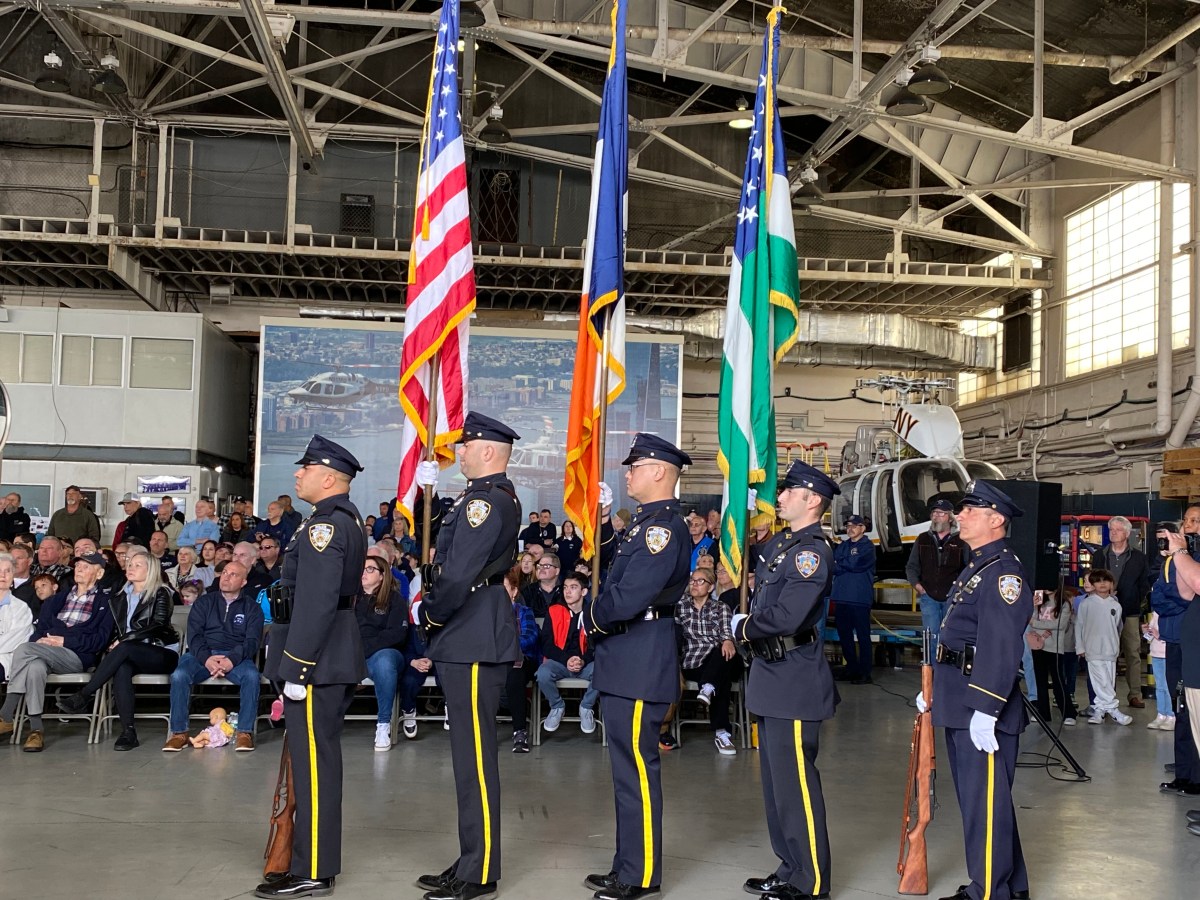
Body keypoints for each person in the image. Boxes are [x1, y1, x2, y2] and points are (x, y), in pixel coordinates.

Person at [412, 412, 522, 900]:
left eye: (467, 445)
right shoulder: (477, 498)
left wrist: (430, 613)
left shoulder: (486, 501)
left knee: (475, 760)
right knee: (466, 759)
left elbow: (457, 574)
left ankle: (480, 872)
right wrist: (423, 501)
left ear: (490, 452)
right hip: (470, 631)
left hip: (473, 631)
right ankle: (470, 859)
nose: (459, 452)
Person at [255, 435, 367, 900]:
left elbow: (317, 602)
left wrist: (297, 668)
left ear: (328, 477)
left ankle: (315, 869)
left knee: (315, 768)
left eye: (305, 469)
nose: (297, 474)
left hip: (317, 663)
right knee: (310, 764)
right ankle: (307, 859)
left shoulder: (326, 526)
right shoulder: (333, 520)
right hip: (324, 657)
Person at [583, 434, 692, 900]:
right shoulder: (644, 524)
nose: (627, 474)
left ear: (661, 472)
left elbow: (630, 594)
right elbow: (614, 568)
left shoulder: (661, 528)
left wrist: (591, 617)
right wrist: (606, 524)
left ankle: (641, 874)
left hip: (640, 654)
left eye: (635, 466)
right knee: (625, 771)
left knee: (637, 773)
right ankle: (627, 863)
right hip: (628, 654)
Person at [916, 481, 1032, 900]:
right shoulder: (978, 565)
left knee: (982, 805)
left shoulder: (1002, 572)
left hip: (981, 705)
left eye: (971, 509)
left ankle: (988, 892)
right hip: (959, 695)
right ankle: (1012, 887)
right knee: (988, 801)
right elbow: (959, 636)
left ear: (996, 519)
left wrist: (986, 707)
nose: (960, 515)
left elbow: (1001, 644)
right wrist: (936, 687)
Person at [730, 460, 839, 900]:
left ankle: (811, 880)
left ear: (812, 500)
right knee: (777, 787)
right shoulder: (784, 546)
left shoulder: (812, 551)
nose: (781, 496)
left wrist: (743, 627)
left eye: (790, 491)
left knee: (797, 786)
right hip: (771, 675)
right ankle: (790, 866)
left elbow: (790, 614)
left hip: (794, 678)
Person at [58, 549, 180, 750]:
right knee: (122, 668)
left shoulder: (162, 592)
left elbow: (158, 625)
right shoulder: (119, 596)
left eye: (137, 565)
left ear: (151, 570)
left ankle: (85, 694)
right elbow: (114, 629)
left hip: (160, 652)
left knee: (125, 649)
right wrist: (118, 642)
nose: (131, 568)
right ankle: (128, 732)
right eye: (130, 564)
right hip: (127, 653)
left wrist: (125, 639)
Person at [0, 552, 115, 752]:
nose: (79, 568)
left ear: (99, 573)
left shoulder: (106, 602)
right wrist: (44, 642)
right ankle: (37, 730)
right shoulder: (56, 600)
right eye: (78, 565)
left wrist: (65, 640)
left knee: (24, 648)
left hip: (76, 657)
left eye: (86, 567)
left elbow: (100, 640)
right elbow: (37, 633)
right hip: (44, 652)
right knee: (35, 666)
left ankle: (6, 713)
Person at [163, 559, 262, 752]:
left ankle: (244, 732)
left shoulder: (252, 608)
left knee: (252, 676)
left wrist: (230, 660)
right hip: (202, 655)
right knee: (179, 675)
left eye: (233, 574)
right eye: (225, 572)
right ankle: (179, 733)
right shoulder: (204, 602)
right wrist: (207, 659)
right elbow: (194, 636)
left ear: (243, 582)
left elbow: (251, 641)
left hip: (235, 657)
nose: (226, 577)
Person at [1152, 511, 1200, 796]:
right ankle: (1186, 772)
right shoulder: (1174, 558)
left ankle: (1194, 777)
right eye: (1187, 521)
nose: (1188, 526)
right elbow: (1159, 595)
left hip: (1189, 640)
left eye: (1196, 521)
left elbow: (1181, 596)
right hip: (1175, 638)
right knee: (1181, 708)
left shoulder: (1187, 558)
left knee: (1190, 708)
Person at [675, 566, 740, 755]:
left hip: (717, 655)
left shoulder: (720, 607)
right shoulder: (681, 606)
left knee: (723, 652)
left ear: (711, 587)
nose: (694, 584)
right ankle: (721, 732)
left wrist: (727, 640)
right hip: (692, 661)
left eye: (700, 581)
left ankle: (709, 687)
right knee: (722, 675)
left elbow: (726, 631)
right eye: (692, 580)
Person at [536, 570, 597, 738]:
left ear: (584, 592)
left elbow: (599, 646)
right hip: (560, 663)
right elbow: (546, 645)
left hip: (586, 664)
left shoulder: (593, 613)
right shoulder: (554, 611)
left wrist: (582, 660)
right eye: (565, 587)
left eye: (573, 587)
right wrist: (567, 659)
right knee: (543, 673)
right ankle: (557, 706)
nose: (567, 591)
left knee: (603, 671)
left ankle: (586, 707)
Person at [356, 555, 408, 752]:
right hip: (354, 654)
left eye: (370, 569)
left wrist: (366, 648)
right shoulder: (351, 599)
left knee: (385, 661)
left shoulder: (394, 599)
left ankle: (383, 725)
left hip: (384, 654)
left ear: (382, 575)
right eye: (363, 568)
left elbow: (397, 634)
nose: (364, 573)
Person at [1099, 516, 1151, 709]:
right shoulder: (1100, 555)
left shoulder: (1138, 558)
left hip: (1129, 612)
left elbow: (1145, 583)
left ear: (1127, 534)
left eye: (1118, 530)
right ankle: (1106, 696)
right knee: (1106, 655)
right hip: (1104, 612)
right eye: (1111, 529)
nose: (1113, 532)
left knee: (1133, 653)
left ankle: (1135, 694)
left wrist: (1137, 600)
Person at [906, 498, 969, 646]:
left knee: (950, 636)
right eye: (934, 513)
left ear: (950, 517)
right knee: (931, 638)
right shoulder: (922, 539)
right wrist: (917, 586)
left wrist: (960, 590)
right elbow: (911, 566)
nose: (936, 516)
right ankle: (931, 668)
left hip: (951, 599)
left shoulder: (962, 541)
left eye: (941, 513)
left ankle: (947, 669)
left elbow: (968, 567)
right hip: (929, 597)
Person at [1076, 569, 1132, 726]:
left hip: (1110, 649)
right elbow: (1079, 626)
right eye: (1098, 581)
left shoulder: (1115, 605)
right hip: (1092, 649)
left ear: (1112, 584)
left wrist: (1116, 645)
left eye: (1106, 581)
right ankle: (1113, 709)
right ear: (1092, 584)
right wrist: (1080, 646)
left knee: (1107, 680)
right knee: (1099, 679)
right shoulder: (1086, 604)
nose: (1102, 584)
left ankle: (1099, 710)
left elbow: (1117, 627)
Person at [831, 514, 877, 685]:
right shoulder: (842, 546)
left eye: (854, 526)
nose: (850, 529)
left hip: (859, 598)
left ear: (862, 528)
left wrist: (843, 563)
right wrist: (845, 562)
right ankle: (851, 668)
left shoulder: (868, 547)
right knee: (845, 635)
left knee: (863, 636)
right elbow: (833, 565)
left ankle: (865, 672)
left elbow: (856, 564)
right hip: (841, 597)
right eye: (848, 526)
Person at [1028, 588, 1078, 726]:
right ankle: (1043, 713)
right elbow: (1030, 617)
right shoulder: (1038, 598)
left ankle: (1069, 713)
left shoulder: (1063, 602)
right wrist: (1033, 607)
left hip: (1055, 647)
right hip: (1037, 645)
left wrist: (1036, 623)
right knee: (1040, 681)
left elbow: (1060, 625)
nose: (1046, 589)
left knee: (1058, 681)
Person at [505, 566, 540, 754]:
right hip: (494, 660)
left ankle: (520, 731)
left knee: (515, 673)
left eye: (505, 589)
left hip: (520, 658)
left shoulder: (523, 611)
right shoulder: (487, 615)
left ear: (514, 591)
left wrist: (506, 644)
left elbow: (529, 637)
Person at [0, 553, 35, 682]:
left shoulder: (21, 608)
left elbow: (15, 639)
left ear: (13, 575)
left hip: (4, 659)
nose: (2, 575)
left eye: (7, 571)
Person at [1145, 613, 1175, 730]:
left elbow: (1175, 634)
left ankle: (1171, 715)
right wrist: (1146, 631)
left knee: (1168, 687)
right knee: (1160, 686)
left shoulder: (1175, 612)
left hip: (1169, 654)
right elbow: (1149, 635)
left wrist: (1160, 635)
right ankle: (1161, 714)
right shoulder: (1156, 613)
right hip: (1155, 653)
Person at [520, 552, 563, 617]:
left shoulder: (565, 591)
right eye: (539, 566)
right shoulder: (528, 591)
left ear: (557, 571)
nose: (541, 569)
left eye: (546, 566)